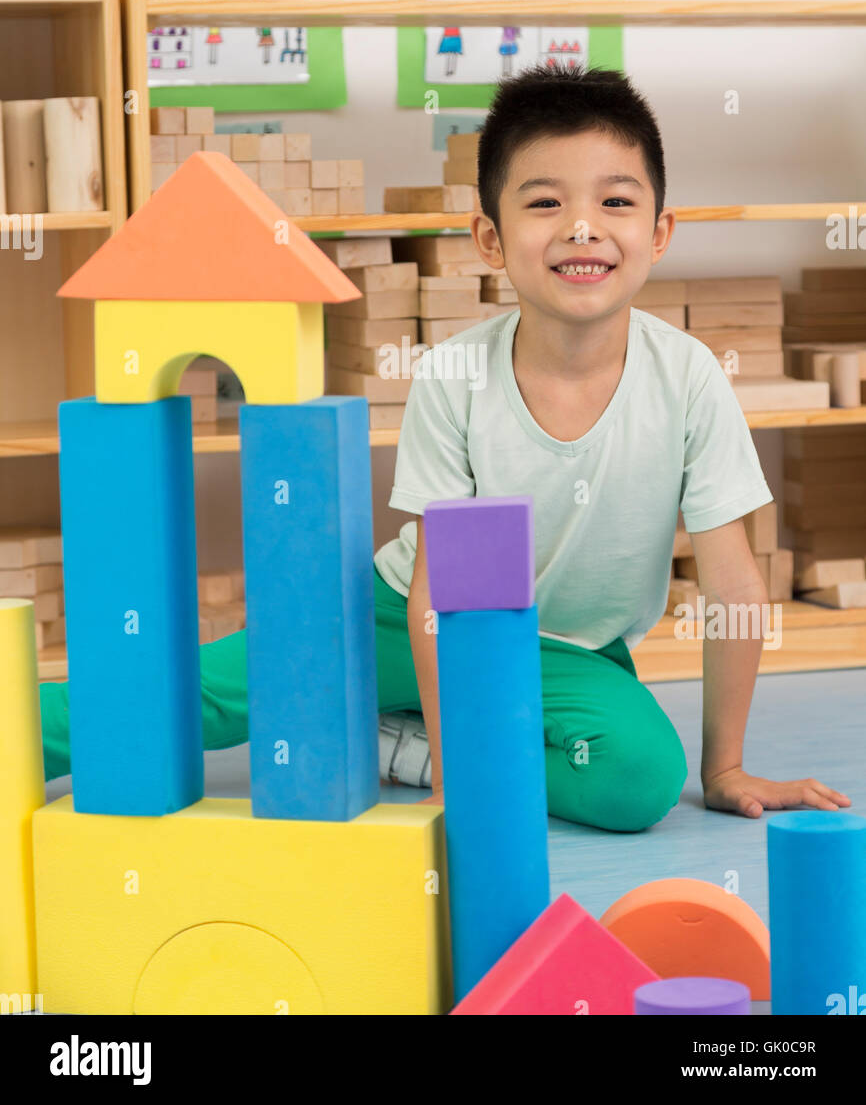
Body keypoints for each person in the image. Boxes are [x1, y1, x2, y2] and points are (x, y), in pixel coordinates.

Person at [38, 63, 851, 833]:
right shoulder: (457, 374)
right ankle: (27, 727)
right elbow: (436, 591)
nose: (582, 228)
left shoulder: (691, 378)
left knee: (638, 777)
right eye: (543, 204)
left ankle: (405, 741)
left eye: (615, 202)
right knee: (186, 694)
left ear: (660, 230)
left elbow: (734, 578)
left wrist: (727, 768)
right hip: (394, 615)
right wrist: (467, 764)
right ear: (490, 240)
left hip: (569, 650)